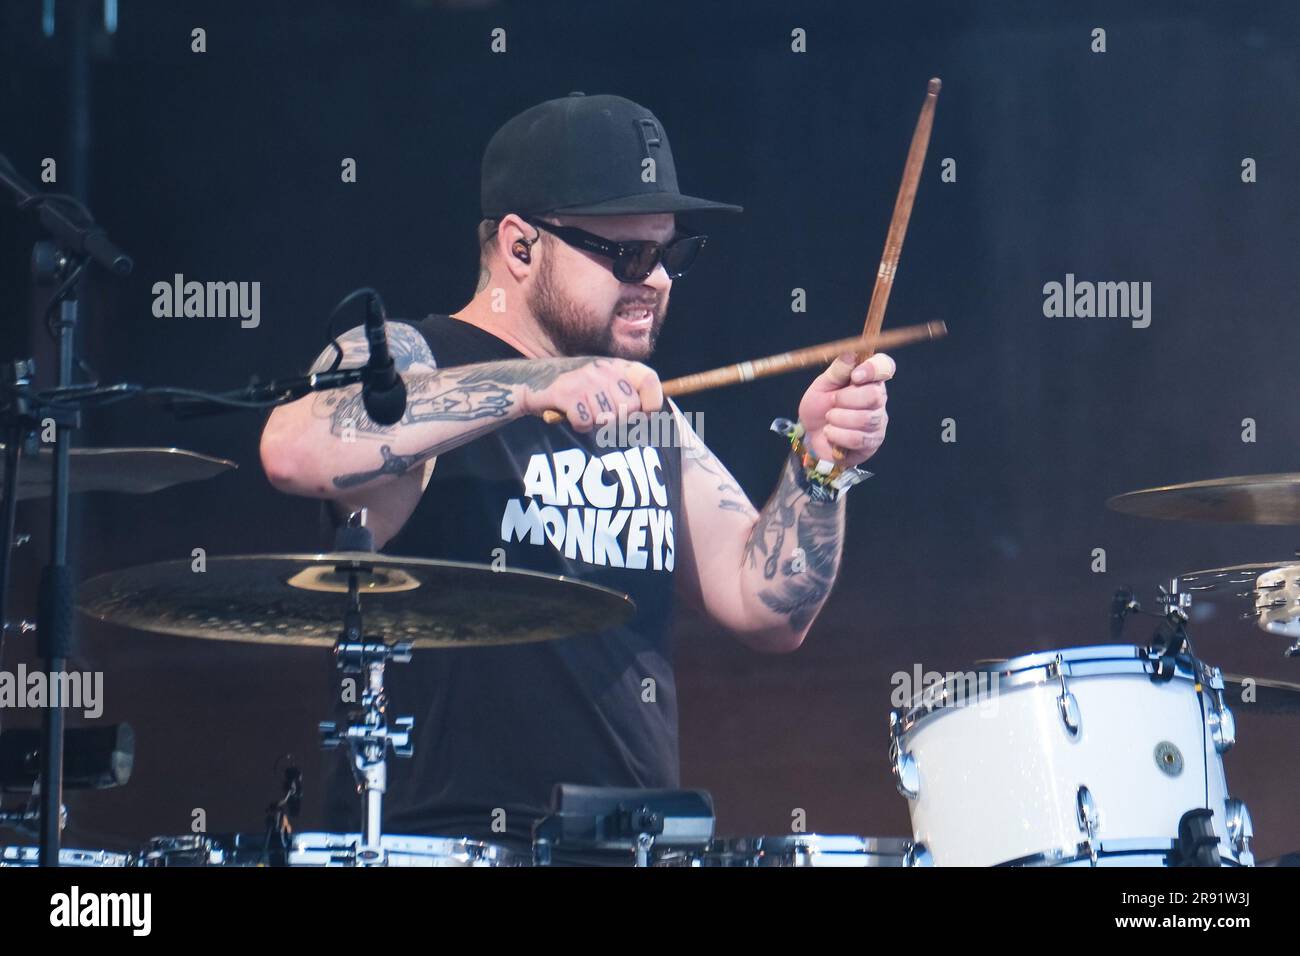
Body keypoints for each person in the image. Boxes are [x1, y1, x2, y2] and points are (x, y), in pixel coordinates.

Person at [259, 92, 894, 848]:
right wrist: (530, 386)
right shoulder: (412, 357)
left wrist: (818, 467)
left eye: (671, 253)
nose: (656, 279)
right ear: (521, 248)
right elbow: (292, 448)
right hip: (439, 842)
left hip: (629, 841)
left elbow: (766, 608)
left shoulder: (640, 405)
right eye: (627, 254)